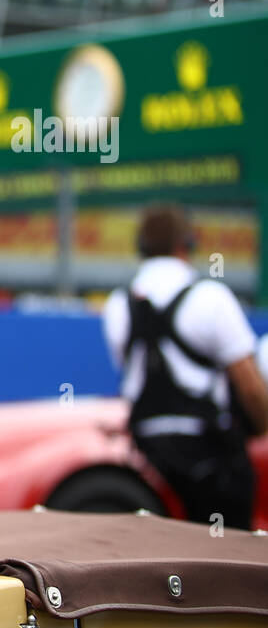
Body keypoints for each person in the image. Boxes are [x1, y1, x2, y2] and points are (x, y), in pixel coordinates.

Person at [102, 204, 268, 530]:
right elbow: (250, 386)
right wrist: (262, 429)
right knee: (226, 562)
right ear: (186, 245)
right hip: (209, 458)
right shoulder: (211, 298)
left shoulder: (117, 304)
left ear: (141, 248)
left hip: (144, 459)